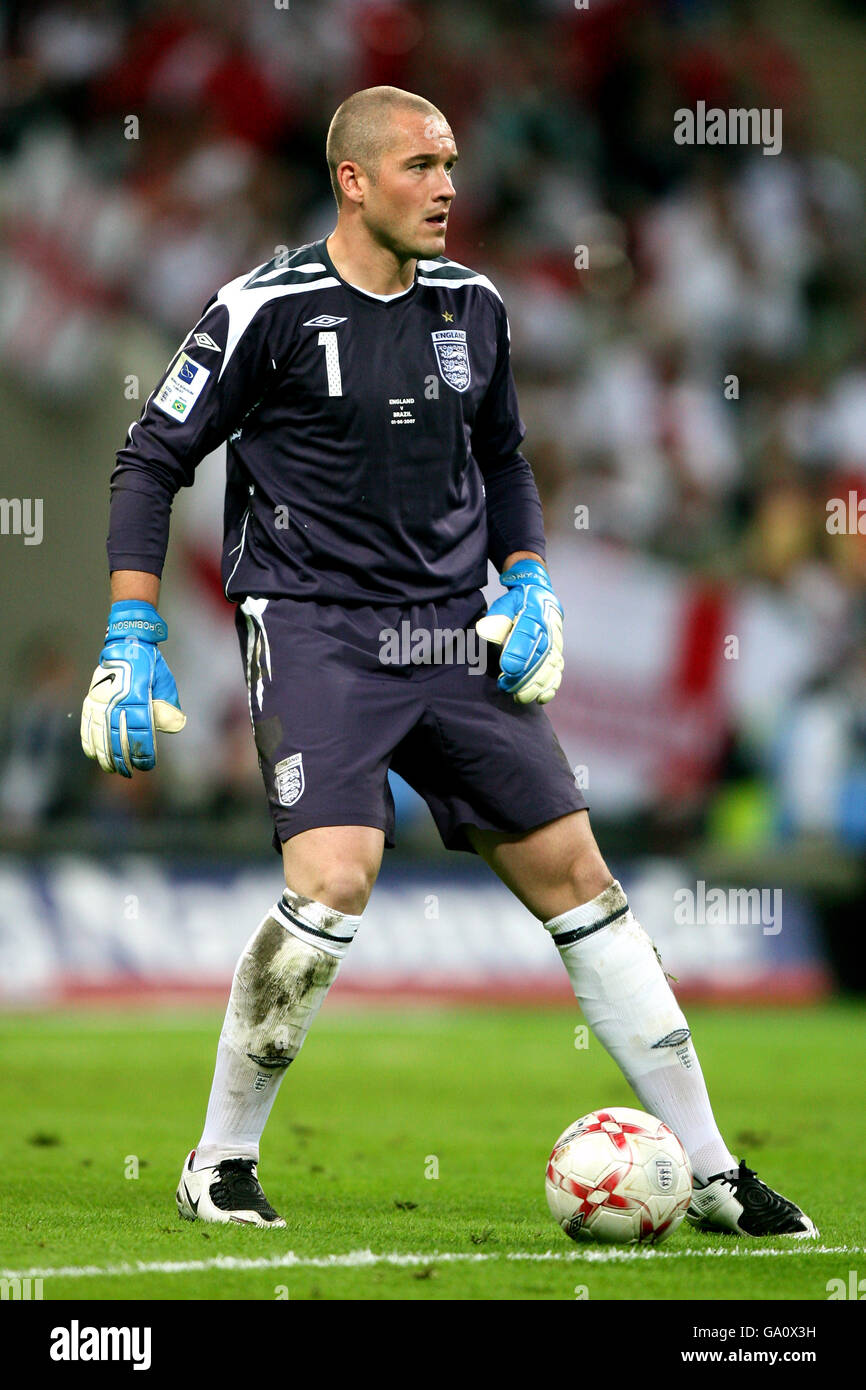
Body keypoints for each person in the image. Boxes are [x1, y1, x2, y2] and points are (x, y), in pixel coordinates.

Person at [81, 86, 816, 1238]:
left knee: (578, 876)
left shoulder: (473, 309)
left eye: (452, 163)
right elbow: (148, 460)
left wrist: (525, 572)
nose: (447, 187)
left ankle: (715, 1169)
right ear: (355, 181)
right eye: (421, 165)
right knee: (333, 875)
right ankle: (218, 1161)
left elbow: (505, 456)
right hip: (316, 622)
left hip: (448, 630)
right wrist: (134, 631)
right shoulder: (259, 310)